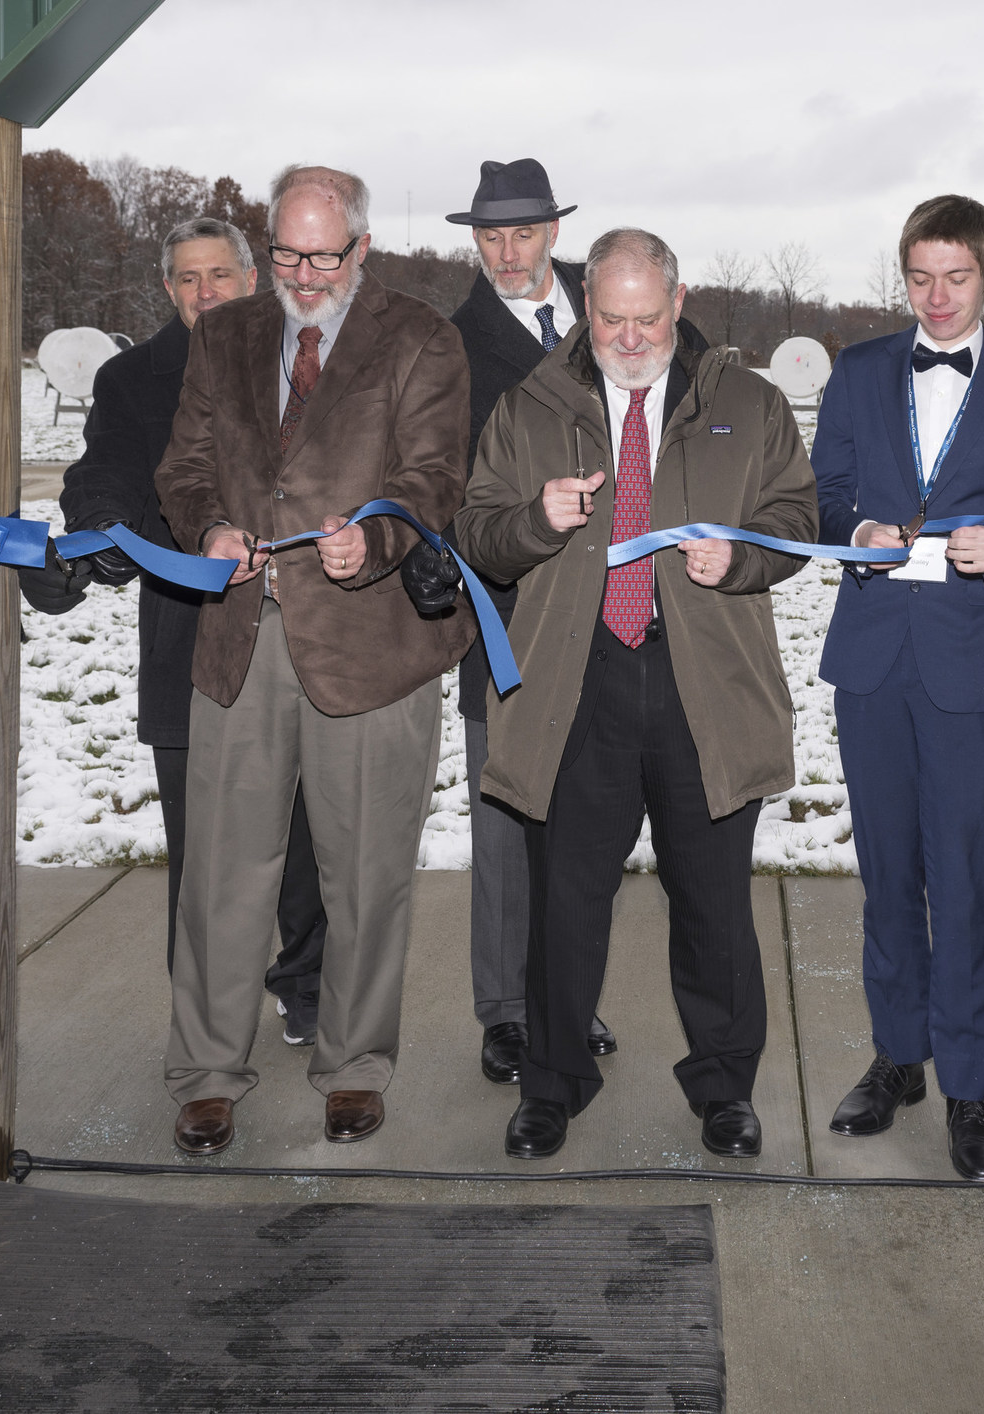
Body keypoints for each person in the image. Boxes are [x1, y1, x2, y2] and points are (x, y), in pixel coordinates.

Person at [451, 228, 817, 1162]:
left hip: (705, 683)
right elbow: (478, 533)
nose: (627, 336)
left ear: (680, 302)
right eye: (609, 317)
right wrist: (535, 519)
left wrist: (740, 556)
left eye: (646, 316)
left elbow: (796, 520)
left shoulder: (749, 401)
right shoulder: (530, 405)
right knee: (564, 904)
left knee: (715, 906)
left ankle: (725, 1089)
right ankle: (553, 1082)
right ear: (585, 309)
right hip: (578, 683)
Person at [152, 165, 473, 1154]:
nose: (298, 274)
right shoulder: (226, 335)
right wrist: (207, 527)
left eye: (321, 256)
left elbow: (433, 478)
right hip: (243, 638)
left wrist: (372, 540)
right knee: (222, 871)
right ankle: (207, 1069)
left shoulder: (421, 336)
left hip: (372, 645)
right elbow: (187, 465)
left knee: (366, 872)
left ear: (362, 251)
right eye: (284, 252)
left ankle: (354, 1065)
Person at [807, 195, 984, 1182]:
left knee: (961, 882)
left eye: (956, 276)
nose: (938, 295)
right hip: (872, 658)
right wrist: (854, 534)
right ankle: (898, 1056)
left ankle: (968, 1083)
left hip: (968, 666)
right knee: (886, 877)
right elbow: (824, 494)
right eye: (920, 277)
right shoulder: (860, 371)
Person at [55, 217, 330, 1046]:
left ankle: (309, 983)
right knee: (203, 849)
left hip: (309, 635)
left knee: (310, 839)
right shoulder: (133, 380)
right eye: (185, 278)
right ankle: (205, 1024)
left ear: (253, 278)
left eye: (218, 274)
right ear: (167, 287)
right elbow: (102, 471)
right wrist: (101, 523)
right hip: (189, 637)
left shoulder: (313, 362)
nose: (203, 292)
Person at [434, 158, 620, 1083]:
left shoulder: (623, 303)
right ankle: (506, 1010)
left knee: (587, 826)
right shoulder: (451, 344)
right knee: (506, 822)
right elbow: (444, 483)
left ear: (555, 231)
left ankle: (571, 998)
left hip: (616, 612)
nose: (507, 254)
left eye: (523, 233)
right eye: (489, 236)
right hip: (506, 613)